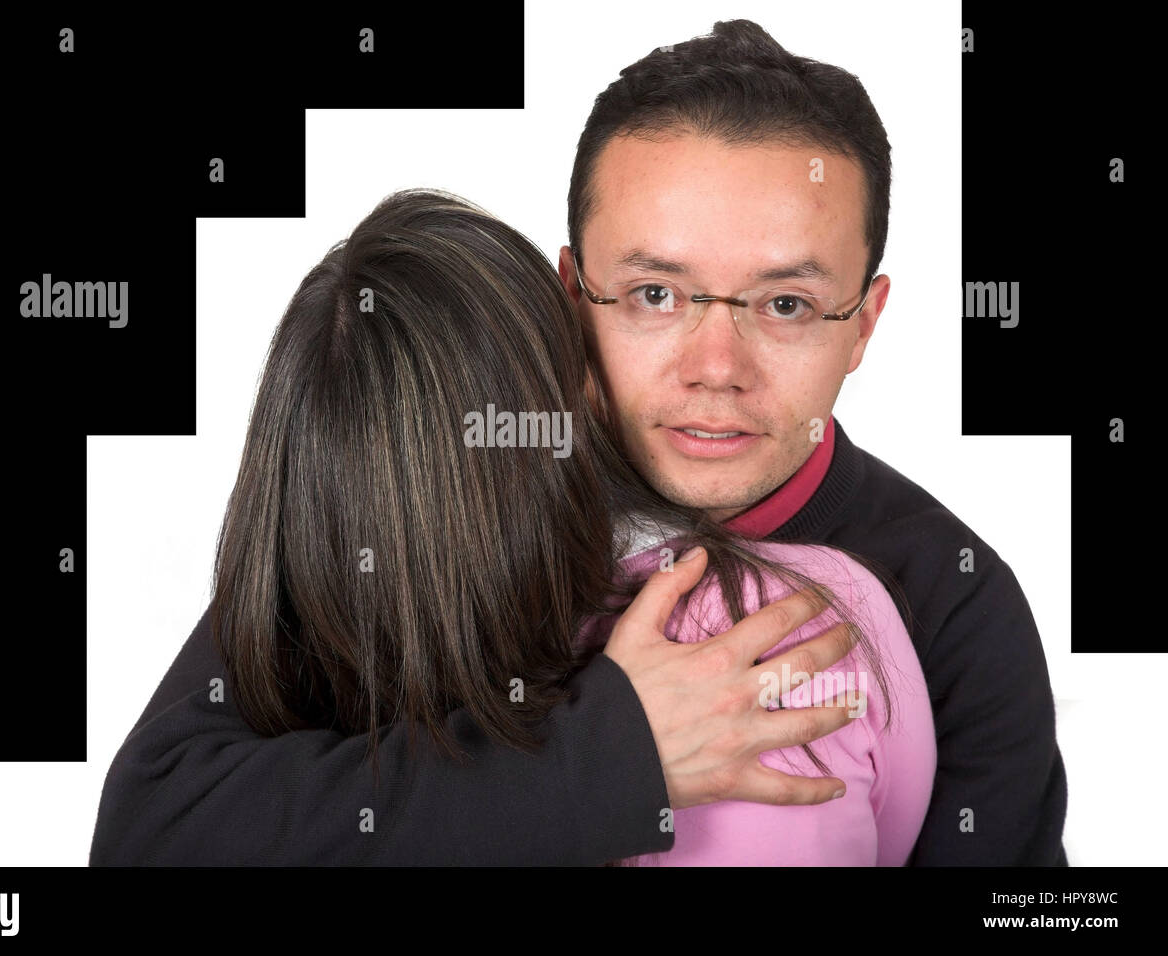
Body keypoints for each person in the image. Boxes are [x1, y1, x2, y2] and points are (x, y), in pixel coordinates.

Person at [89, 18, 1065, 866]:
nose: (714, 364)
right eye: (654, 294)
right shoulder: (455, 490)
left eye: (786, 303)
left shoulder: (953, 595)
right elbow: (153, 831)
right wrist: (611, 752)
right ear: (570, 292)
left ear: (863, 323)